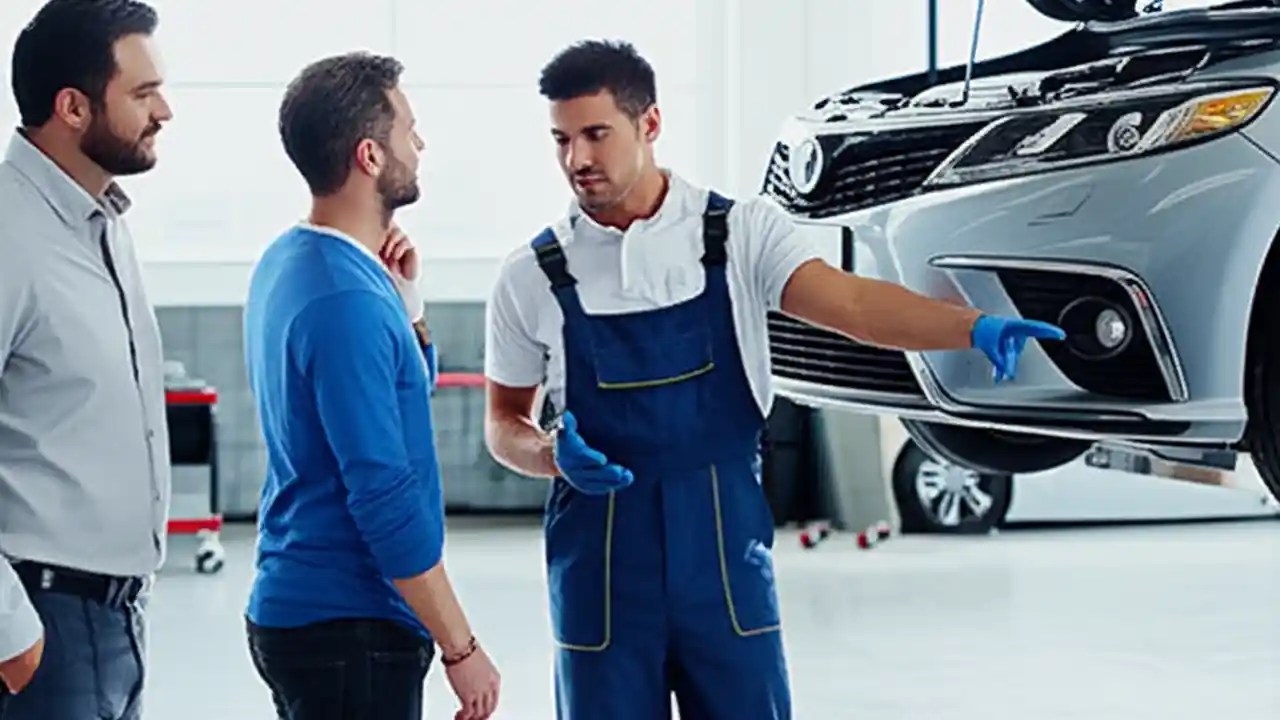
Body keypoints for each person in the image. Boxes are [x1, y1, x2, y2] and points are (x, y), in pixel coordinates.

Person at [482, 39, 1065, 720]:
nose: (577, 159)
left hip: (724, 567)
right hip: (603, 573)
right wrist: (548, 454)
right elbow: (503, 423)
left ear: (650, 124)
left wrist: (971, 326)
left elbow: (853, 305)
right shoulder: (532, 275)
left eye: (595, 134)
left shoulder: (739, 234)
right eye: (561, 139)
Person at [242, 51, 500, 720]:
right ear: (370, 155)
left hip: (310, 610)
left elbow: (397, 396)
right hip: (348, 625)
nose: (420, 144)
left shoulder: (292, 260)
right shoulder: (346, 300)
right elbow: (384, 494)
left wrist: (409, 307)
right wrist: (461, 646)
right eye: (408, 130)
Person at [0, 1, 173, 718]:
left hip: (115, 617)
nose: (164, 111)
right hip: (42, 621)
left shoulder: (100, 220)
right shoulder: (9, 231)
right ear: (72, 107)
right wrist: (12, 632)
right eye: (143, 93)